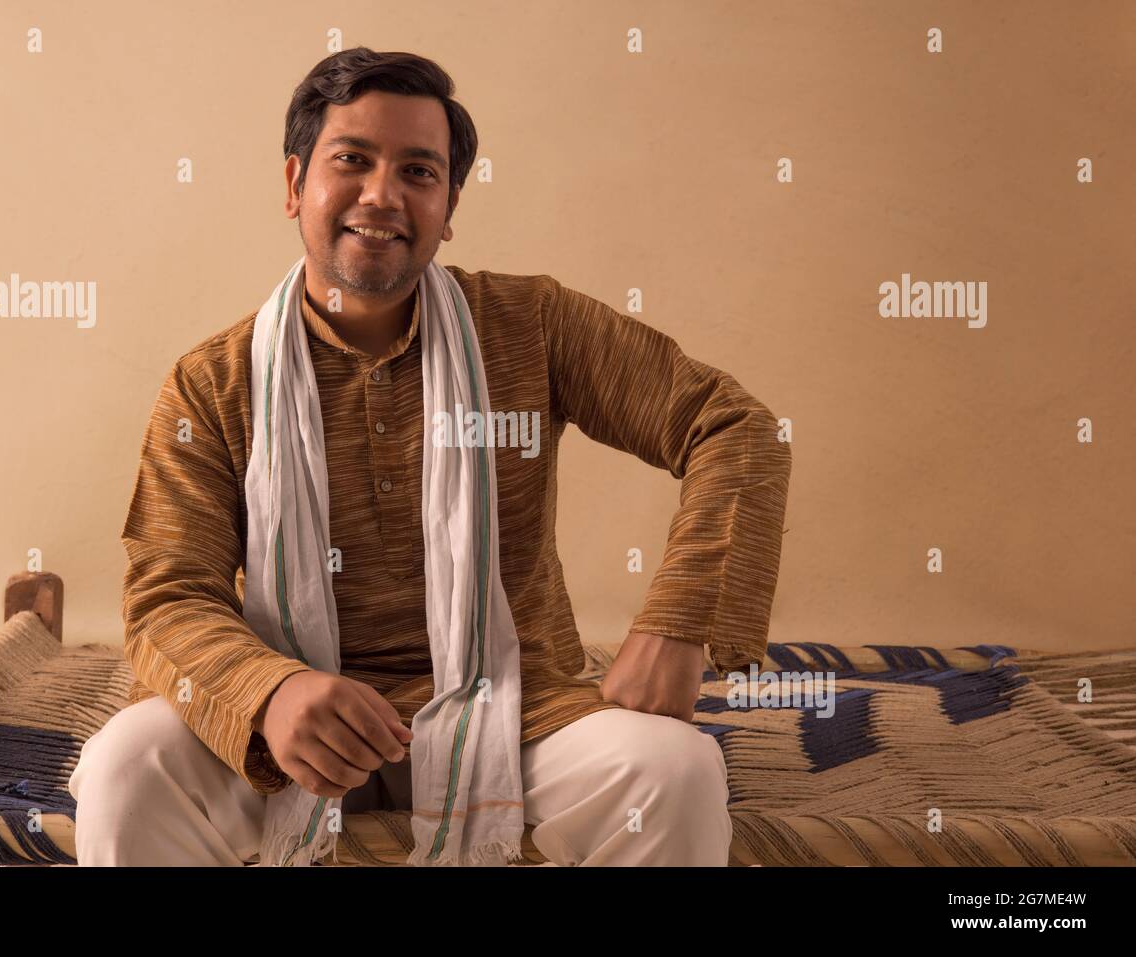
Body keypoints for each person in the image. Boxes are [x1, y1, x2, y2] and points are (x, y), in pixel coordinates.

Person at [68, 47, 791, 867]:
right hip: (285, 731)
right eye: (353, 160)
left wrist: (679, 620)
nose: (383, 194)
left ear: (447, 210)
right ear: (294, 183)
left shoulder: (531, 326)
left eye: (419, 171)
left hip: (512, 712)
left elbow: (735, 426)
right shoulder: (212, 382)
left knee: (675, 770)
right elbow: (169, 595)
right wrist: (272, 692)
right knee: (126, 766)